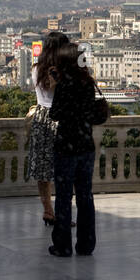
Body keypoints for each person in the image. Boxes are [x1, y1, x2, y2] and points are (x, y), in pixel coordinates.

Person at [45, 42, 98, 258]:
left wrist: (55, 85)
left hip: (66, 145)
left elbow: (55, 114)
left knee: (64, 197)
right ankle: (86, 244)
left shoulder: (64, 84)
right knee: (85, 196)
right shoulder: (87, 82)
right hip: (86, 144)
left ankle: (62, 245)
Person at [29, 31, 72, 224]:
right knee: (64, 168)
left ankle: (48, 210)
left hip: (41, 118)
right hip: (60, 117)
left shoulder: (36, 69)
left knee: (43, 168)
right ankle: (62, 213)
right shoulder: (63, 71)